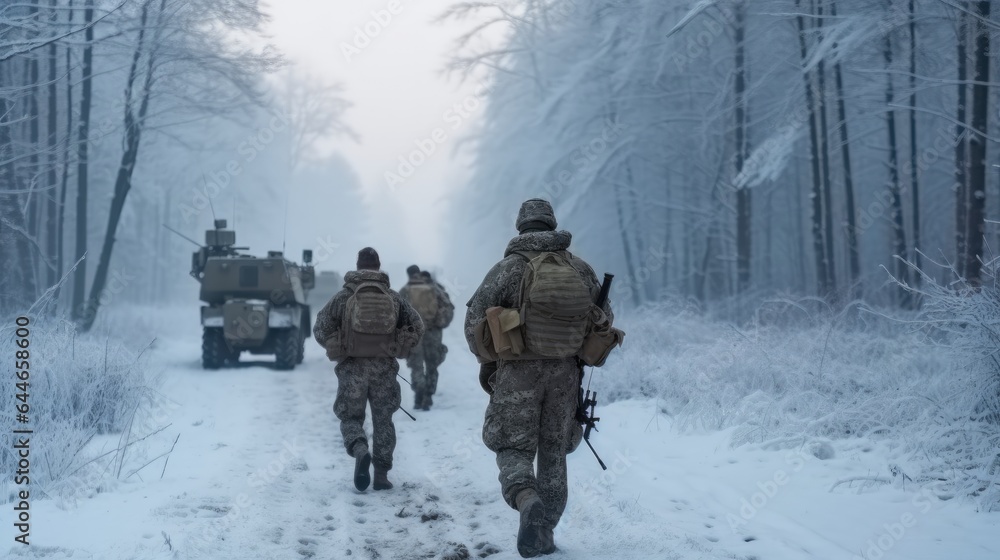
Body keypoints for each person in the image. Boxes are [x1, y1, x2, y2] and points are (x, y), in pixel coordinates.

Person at [464, 199, 613, 557]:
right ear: (551, 225)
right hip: (565, 374)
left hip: (517, 371)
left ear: (521, 227)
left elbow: (473, 328)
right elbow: (603, 319)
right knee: (553, 451)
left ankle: (525, 496)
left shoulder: (507, 268)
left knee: (513, 445)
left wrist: (492, 359)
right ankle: (544, 531)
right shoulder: (581, 269)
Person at [313, 247, 424, 492]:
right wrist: (401, 345)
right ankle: (382, 475)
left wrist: (338, 347)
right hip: (384, 368)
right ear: (378, 266)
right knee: (384, 421)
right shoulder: (393, 297)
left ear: (357, 265)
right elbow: (417, 325)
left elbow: (320, 329)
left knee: (350, 417)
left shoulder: (343, 297)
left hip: (351, 368)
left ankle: (359, 448)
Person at [399, 265, 454, 410]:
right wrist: (438, 324)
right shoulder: (435, 288)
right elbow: (448, 308)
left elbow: (398, 313)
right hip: (433, 332)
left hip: (414, 333)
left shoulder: (405, 290)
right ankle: (428, 396)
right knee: (432, 366)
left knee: (416, 367)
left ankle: (419, 394)